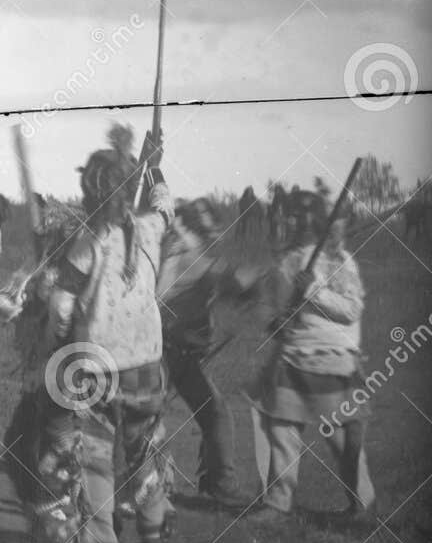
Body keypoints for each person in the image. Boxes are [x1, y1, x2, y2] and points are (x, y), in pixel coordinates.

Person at [30, 129, 173, 543]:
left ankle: (103, 538)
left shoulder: (89, 242)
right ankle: (153, 532)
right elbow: (164, 203)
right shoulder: (150, 230)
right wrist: (154, 164)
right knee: (145, 446)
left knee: (93, 449)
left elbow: (61, 304)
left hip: (96, 367)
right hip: (147, 362)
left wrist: (56, 342)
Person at [246, 190, 374, 525]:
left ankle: (361, 504)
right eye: (290, 214)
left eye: (303, 215)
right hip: (294, 357)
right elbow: (282, 316)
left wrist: (315, 288)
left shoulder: (336, 259)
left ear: (317, 221)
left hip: (331, 357)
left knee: (340, 436)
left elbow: (352, 309)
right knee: (281, 426)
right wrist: (278, 322)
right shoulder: (286, 261)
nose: (296, 221)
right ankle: (277, 503)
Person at [158, 198, 257, 506]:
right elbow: (228, 278)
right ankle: (136, 489)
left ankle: (217, 483)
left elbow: (228, 283)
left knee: (214, 413)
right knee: (146, 418)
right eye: (209, 226)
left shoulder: (188, 252)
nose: (216, 231)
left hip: (180, 354)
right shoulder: (186, 255)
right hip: (162, 353)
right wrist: (253, 279)